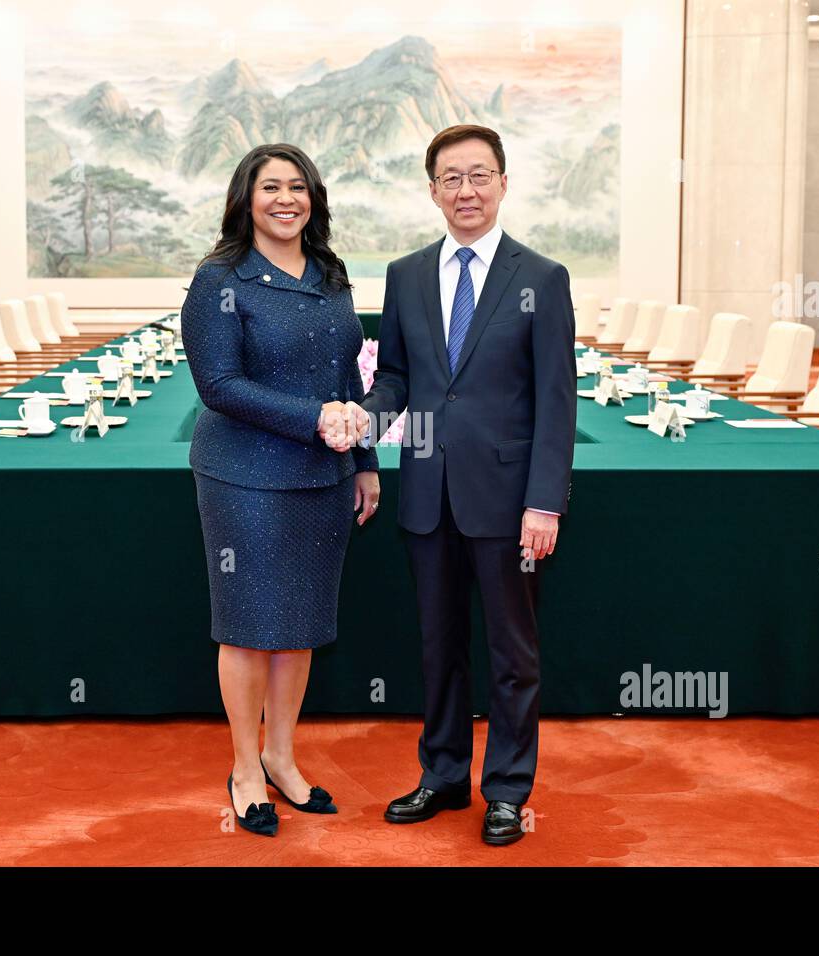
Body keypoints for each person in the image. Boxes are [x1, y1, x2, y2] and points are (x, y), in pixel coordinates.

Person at [334, 124, 576, 845]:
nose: (465, 190)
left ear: (503, 183)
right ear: (432, 188)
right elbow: (399, 381)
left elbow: (557, 400)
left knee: (512, 651)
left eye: (480, 175)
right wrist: (362, 420)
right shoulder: (407, 274)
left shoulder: (541, 278)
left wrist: (544, 501)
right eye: (451, 178)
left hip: (508, 502)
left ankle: (505, 788)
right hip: (429, 495)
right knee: (438, 646)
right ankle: (441, 774)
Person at [181, 143, 381, 837]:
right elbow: (220, 387)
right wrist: (314, 419)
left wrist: (366, 460)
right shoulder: (219, 279)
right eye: (271, 188)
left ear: (313, 198)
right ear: (247, 198)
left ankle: (281, 755)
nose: (286, 199)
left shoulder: (330, 272)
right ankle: (243, 767)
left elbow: (347, 377)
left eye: (298, 187)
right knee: (247, 627)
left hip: (324, 475)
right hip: (245, 476)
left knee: (297, 630)